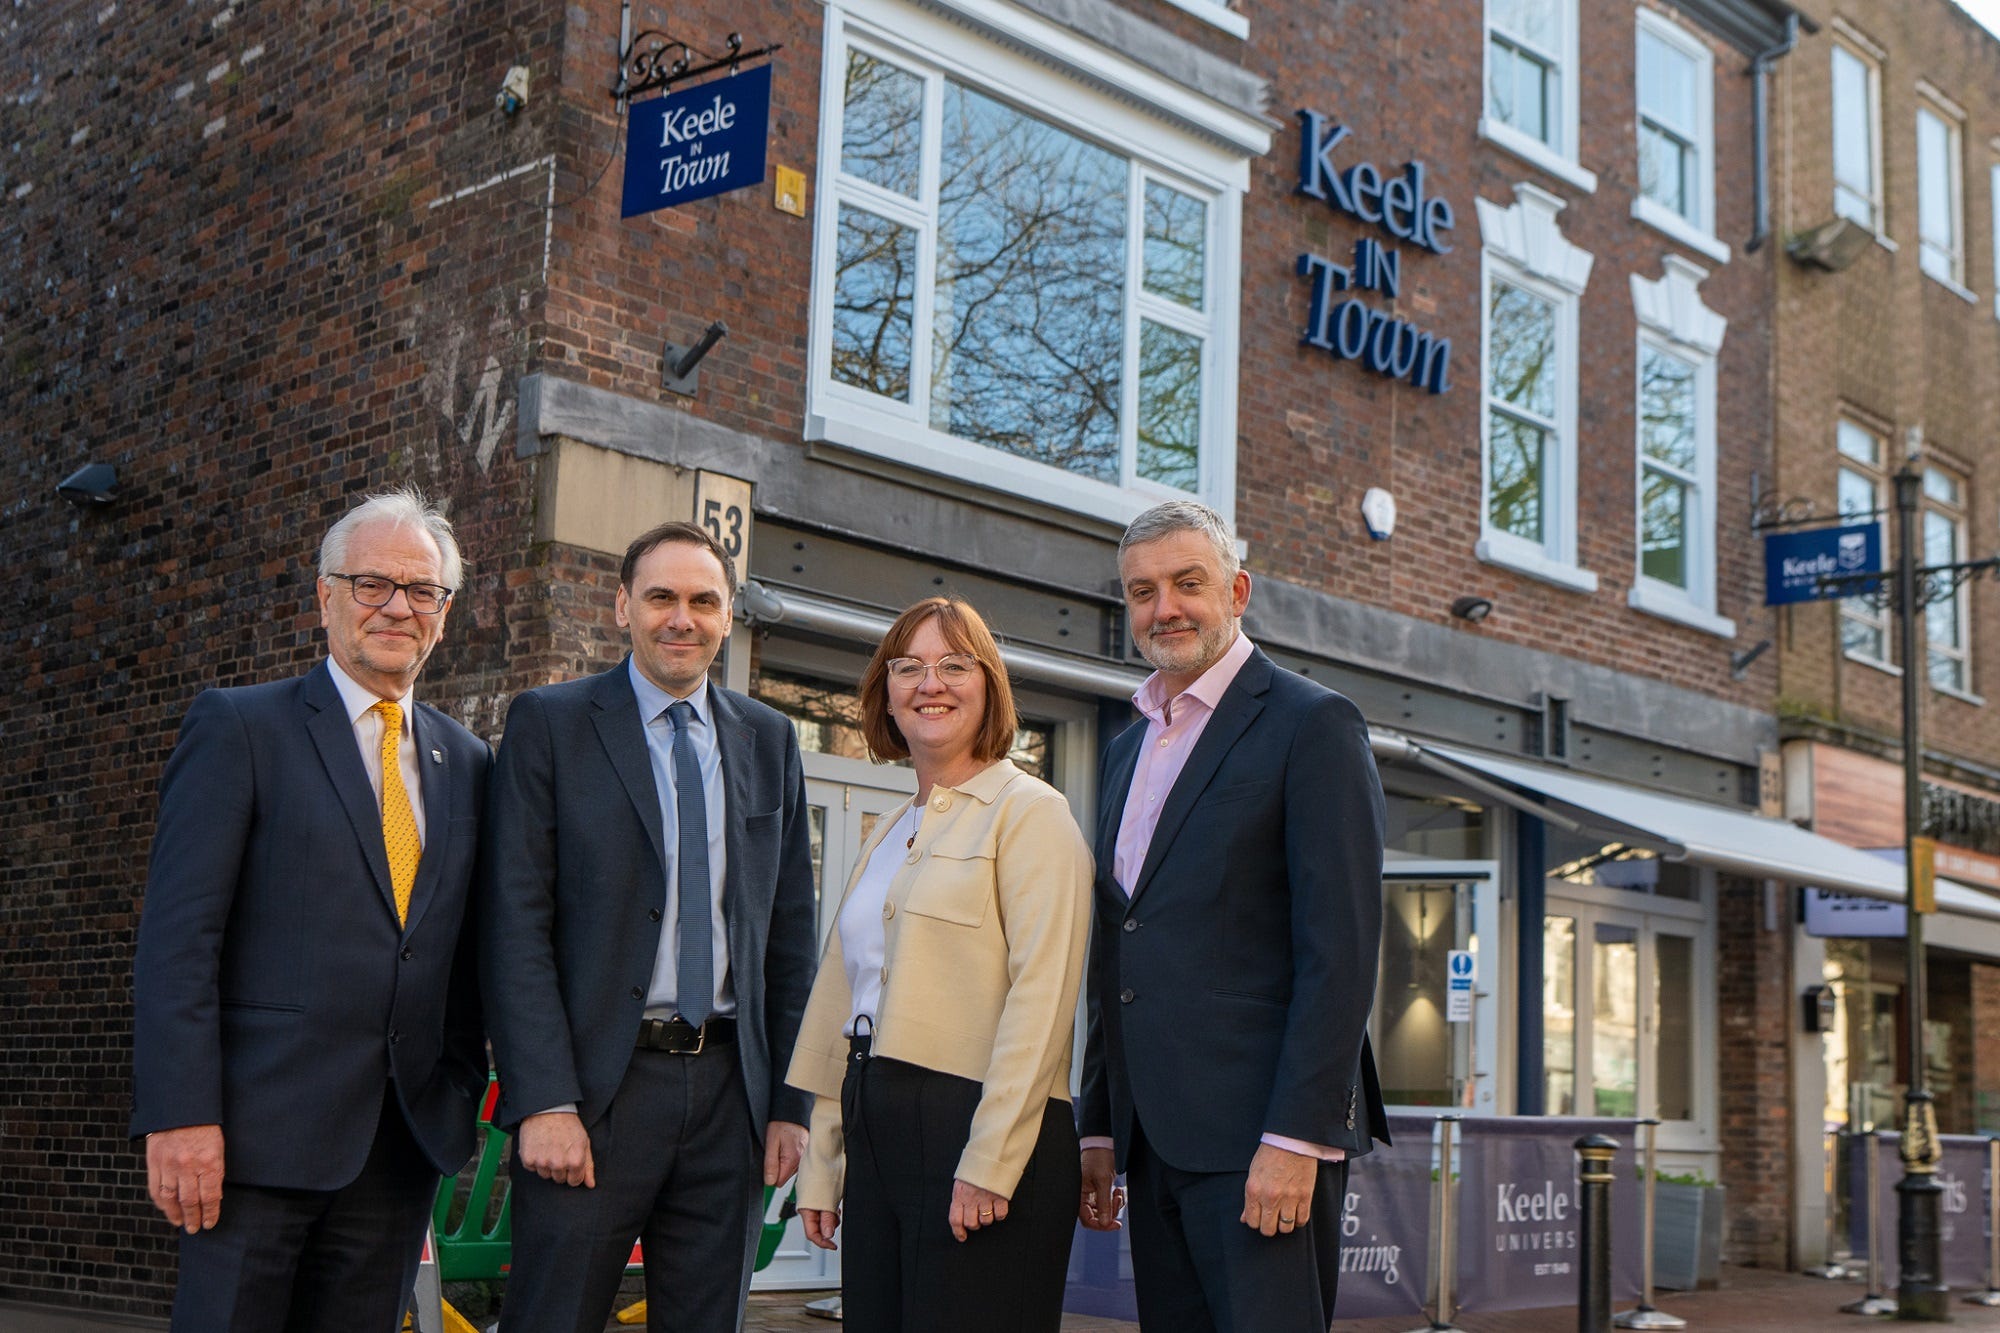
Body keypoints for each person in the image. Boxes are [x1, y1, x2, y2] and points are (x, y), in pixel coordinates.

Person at [130, 488, 490, 1332]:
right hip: (253, 1147)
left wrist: (457, 1088)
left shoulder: (469, 761)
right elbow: (180, 940)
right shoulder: (241, 728)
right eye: (372, 583)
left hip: (398, 1150)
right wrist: (182, 1114)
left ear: (444, 611)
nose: (398, 606)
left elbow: (467, 949)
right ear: (325, 596)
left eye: (422, 590)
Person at [481, 520, 818, 1333]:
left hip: (730, 1098)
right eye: (661, 596)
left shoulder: (769, 738)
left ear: (728, 615)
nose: (682, 618)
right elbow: (513, 923)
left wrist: (789, 1105)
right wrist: (545, 1099)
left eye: (704, 600)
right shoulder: (551, 724)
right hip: (597, 1093)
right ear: (622, 604)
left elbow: (790, 933)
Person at [1076, 499, 1388, 1333]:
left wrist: (1298, 1136)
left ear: (1238, 589)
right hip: (1155, 1138)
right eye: (1142, 591)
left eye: (1187, 583)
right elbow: (1120, 946)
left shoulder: (1312, 723)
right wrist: (1098, 1125)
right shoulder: (1125, 747)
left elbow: (1343, 949)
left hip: (1264, 1141)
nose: (1164, 607)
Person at [787, 597, 1092, 1332]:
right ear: (884, 692)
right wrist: (824, 1162)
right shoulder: (892, 827)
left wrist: (990, 1158)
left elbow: (1042, 1000)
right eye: (910, 666)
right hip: (877, 1116)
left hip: (982, 1122)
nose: (932, 683)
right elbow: (848, 1002)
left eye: (955, 665)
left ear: (990, 684)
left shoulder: (1031, 812)